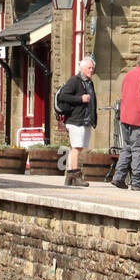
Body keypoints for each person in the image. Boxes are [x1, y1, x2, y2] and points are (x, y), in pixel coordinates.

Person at [111, 53, 140, 191]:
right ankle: (137, 181)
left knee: (127, 148)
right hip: (139, 118)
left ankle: (118, 177)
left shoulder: (129, 75)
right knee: (139, 150)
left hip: (125, 117)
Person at [57, 55, 97, 187]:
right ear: (83, 68)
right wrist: (80, 99)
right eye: (89, 68)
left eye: (93, 68)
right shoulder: (75, 80)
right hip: (75, 120)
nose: (92, 70)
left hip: (85, 120)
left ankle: (69, 177)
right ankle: (75, 175)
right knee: (76, 148)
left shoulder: (88, 82)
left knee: (77, 148)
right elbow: (63, 96)